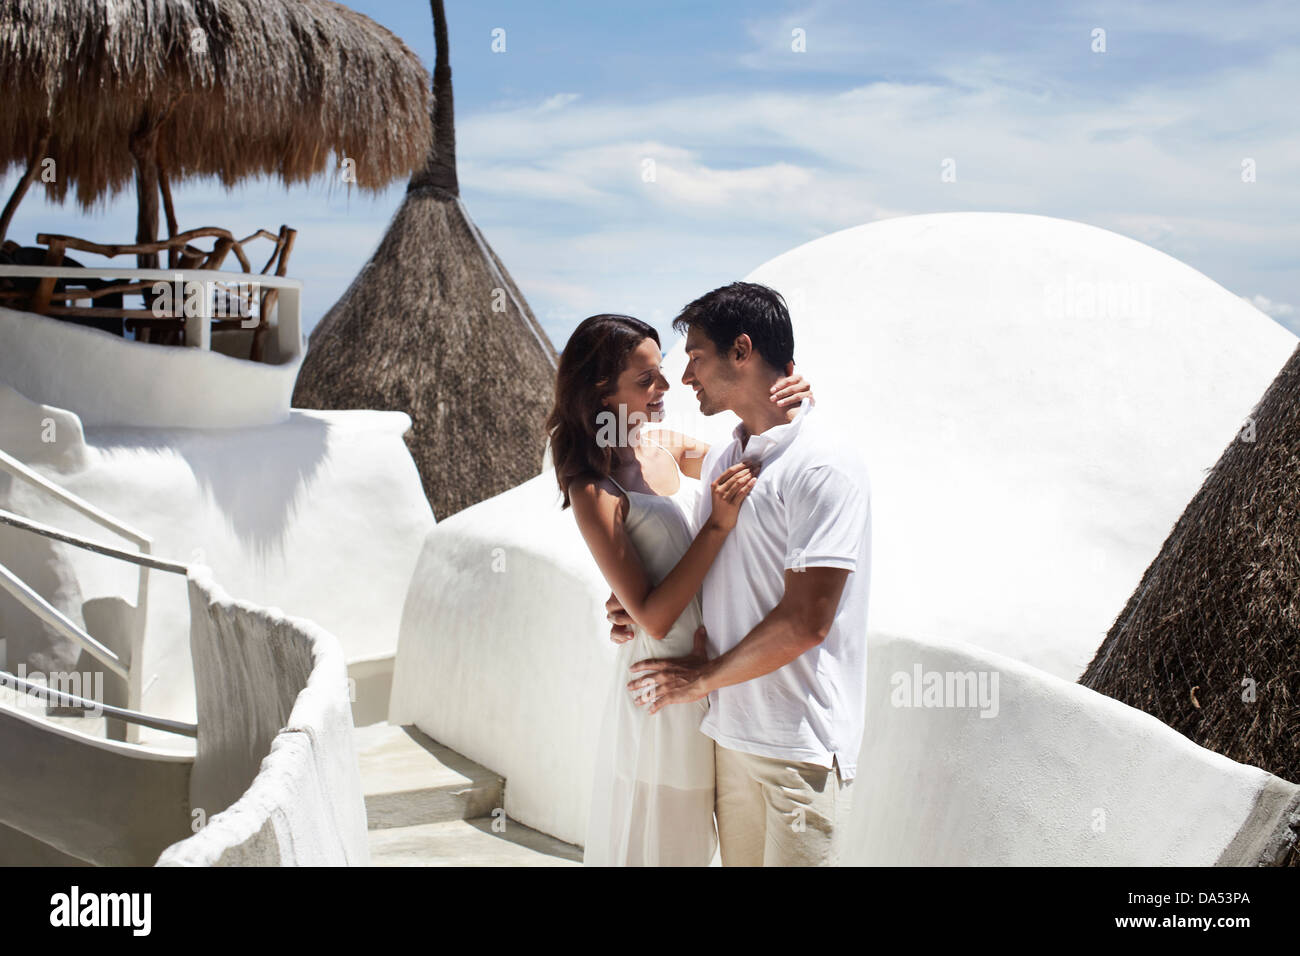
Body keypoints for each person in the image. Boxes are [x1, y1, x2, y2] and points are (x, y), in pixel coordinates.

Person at [612, 282, 872, 867]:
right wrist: (633, 600)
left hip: (798, 748)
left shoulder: (823, 463)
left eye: (695, 357)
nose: (685, 378)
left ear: (742, 351)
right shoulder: (728, 460)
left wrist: (700, 682)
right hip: (730, 736)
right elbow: (708, 568)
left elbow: (807, 621)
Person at [545, 312, 812, 866]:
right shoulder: (593, 488)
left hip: (712, 680)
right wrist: (716, 525)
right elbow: (656, 618)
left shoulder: (662, 445)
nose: (665, 387)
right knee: (671, 846)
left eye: (662, 371)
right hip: (665, 686)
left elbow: (752, 457)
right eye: (645, 380)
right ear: (601, 391)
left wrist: (793, 399)